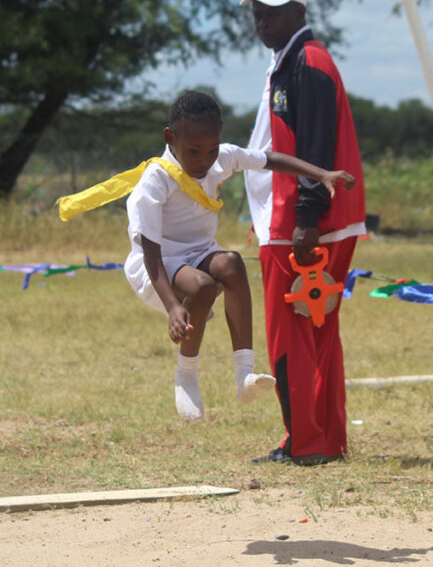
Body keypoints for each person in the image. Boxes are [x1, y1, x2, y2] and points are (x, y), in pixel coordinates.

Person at [121, 90, 354, 420]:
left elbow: (269, 158)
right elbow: (152, 255)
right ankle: (185, 376)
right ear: (170, 138)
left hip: (200, 252)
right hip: (158, 264)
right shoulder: (155, 182)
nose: (205, 160)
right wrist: (173, 307)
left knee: (231, 263)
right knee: (201, 287)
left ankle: (244, 373)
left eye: (212, 149)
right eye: (194, 151)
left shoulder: (222, 159)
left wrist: (321, 174)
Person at [240, 0, 366, 466]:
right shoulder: (293, 60)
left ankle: (305, 443)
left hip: (301, 220)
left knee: (290, 335)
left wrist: (306, 217)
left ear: (298, 10)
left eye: (271, 11)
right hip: (301, 217)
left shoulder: (307, 63)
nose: (262, 21)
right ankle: (326, 440)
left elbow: (316, 143)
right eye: (256, 12)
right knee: (318, 331)